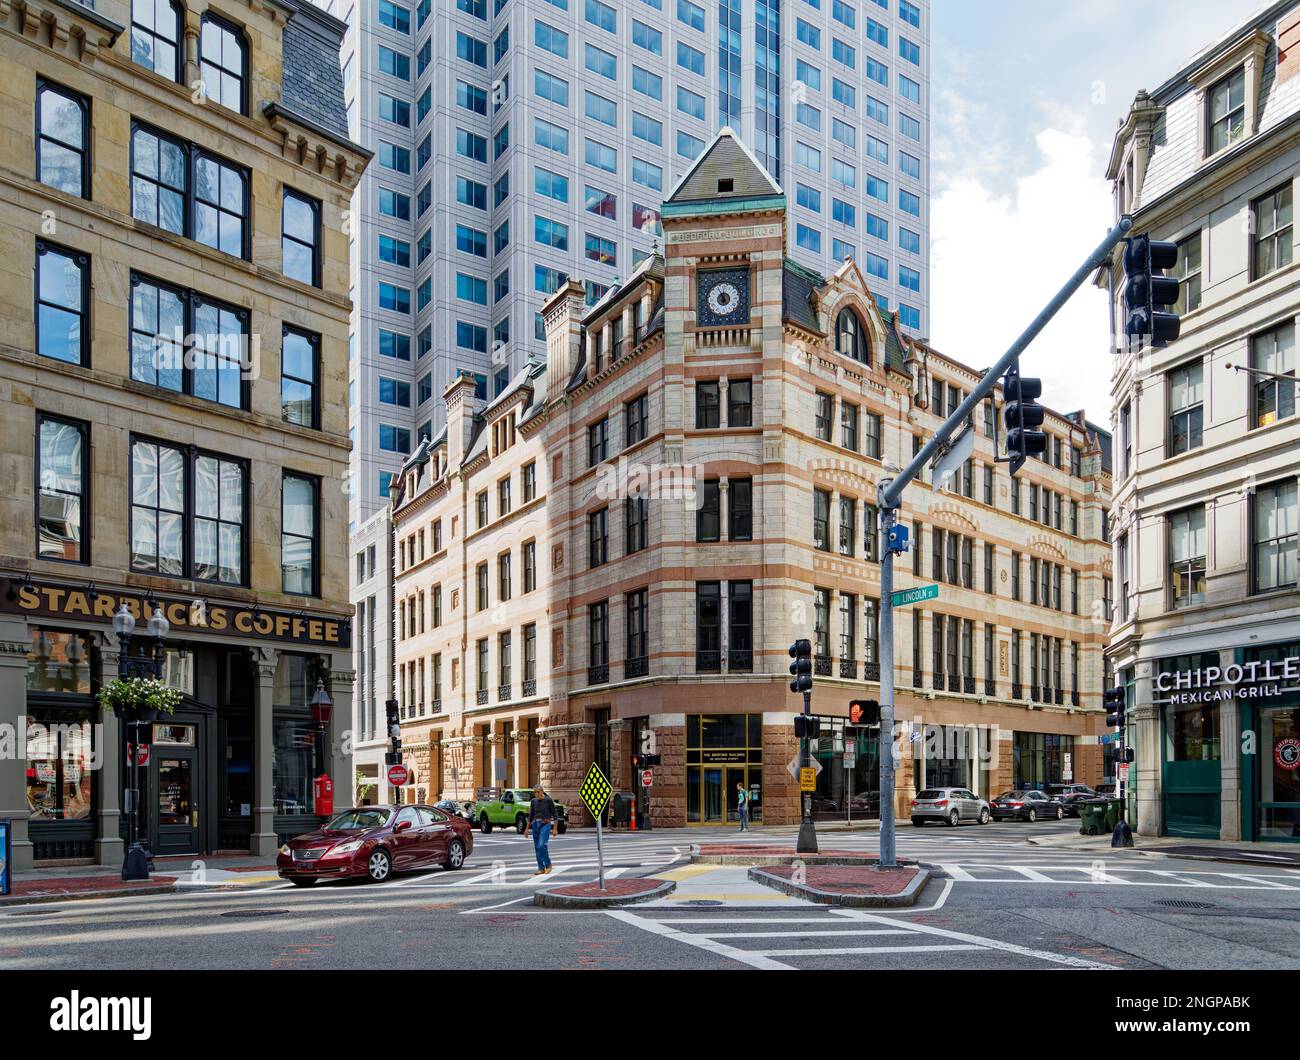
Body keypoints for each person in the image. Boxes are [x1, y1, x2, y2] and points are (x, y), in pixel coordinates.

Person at [528, 785, 557, 875]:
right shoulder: (533, 801)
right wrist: (526, 829)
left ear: (542, 791)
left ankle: (548, 865)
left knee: (541, 845)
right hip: (535, 825)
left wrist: (555, 829)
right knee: (537, 848)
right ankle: (541, 868)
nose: (536, 794)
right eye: (535, 792)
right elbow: (531, 815)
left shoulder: (548, 800)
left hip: (545, 825)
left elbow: (555, 815)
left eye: (538, 792)